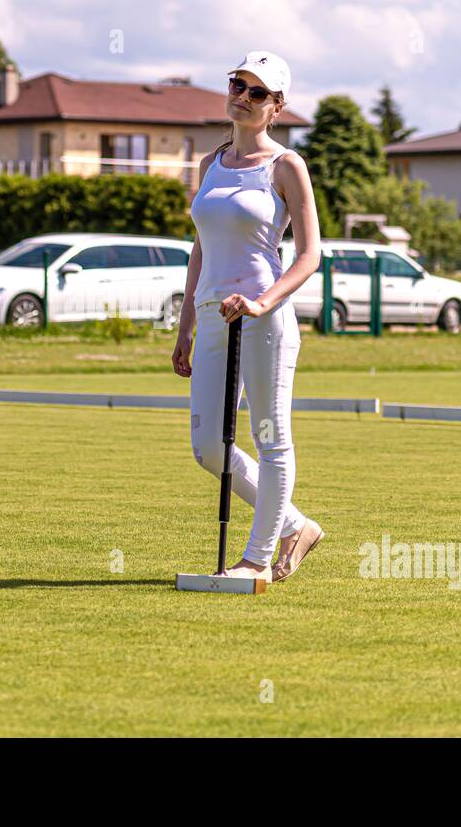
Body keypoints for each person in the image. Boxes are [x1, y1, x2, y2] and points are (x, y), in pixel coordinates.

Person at [171, 51, 324, 584]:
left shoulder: (287, 166)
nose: (242, 96)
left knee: (269, 436)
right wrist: (185, 324)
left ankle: (257, 559)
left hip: (264, 318)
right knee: (209, 447)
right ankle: (296, 526)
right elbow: (200, 249)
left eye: (256, 92)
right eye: (238, 84)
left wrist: (263, 302)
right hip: (213, 317)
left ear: (276, 106)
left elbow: (310, 255)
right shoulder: (210, 162)